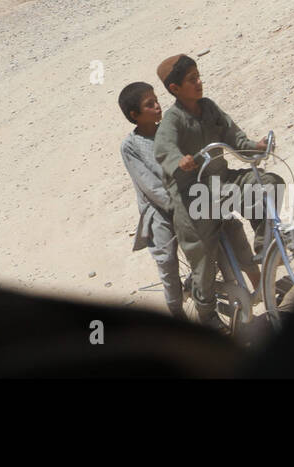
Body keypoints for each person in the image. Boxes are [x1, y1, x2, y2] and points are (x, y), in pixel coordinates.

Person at [153, 54, 284, 329]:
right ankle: (207, 314)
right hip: (192, 198)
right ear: (175, 88)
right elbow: (164, 149)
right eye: (192, 80)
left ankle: (266, 246)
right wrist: (179, 160)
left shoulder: (209, 107)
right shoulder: (172, 120)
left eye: (198, 76)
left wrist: (255, 146)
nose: (199, 82)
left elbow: (234, 137)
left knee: (269, 183)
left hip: (222, 182)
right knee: (203, 259)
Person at [117, 82, 185, 318]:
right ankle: (177, 311)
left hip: (185, 198)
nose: (158, 106)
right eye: (150, 104)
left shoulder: (169, 130)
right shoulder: (130, 146)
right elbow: (150, 186)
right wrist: (176, 206)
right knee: (167, 260)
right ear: (134, 115)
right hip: (159, 209)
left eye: (156, 100)